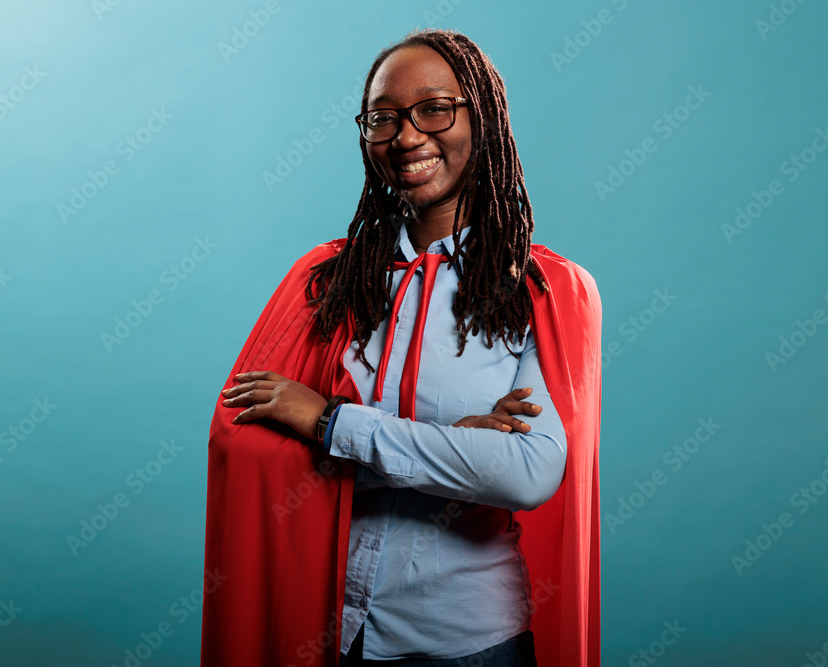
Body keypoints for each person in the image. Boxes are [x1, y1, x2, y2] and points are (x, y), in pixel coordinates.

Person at [200, 28, 602, 667]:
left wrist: (328, 421)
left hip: (471, 641)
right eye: (384, 118)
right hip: (335, 632)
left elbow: (527, 473)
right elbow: (240, 440)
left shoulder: (543, 290)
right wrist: (457, 446)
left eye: (434, 109)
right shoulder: (327, 282)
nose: (408, 137)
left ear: (484, 118)